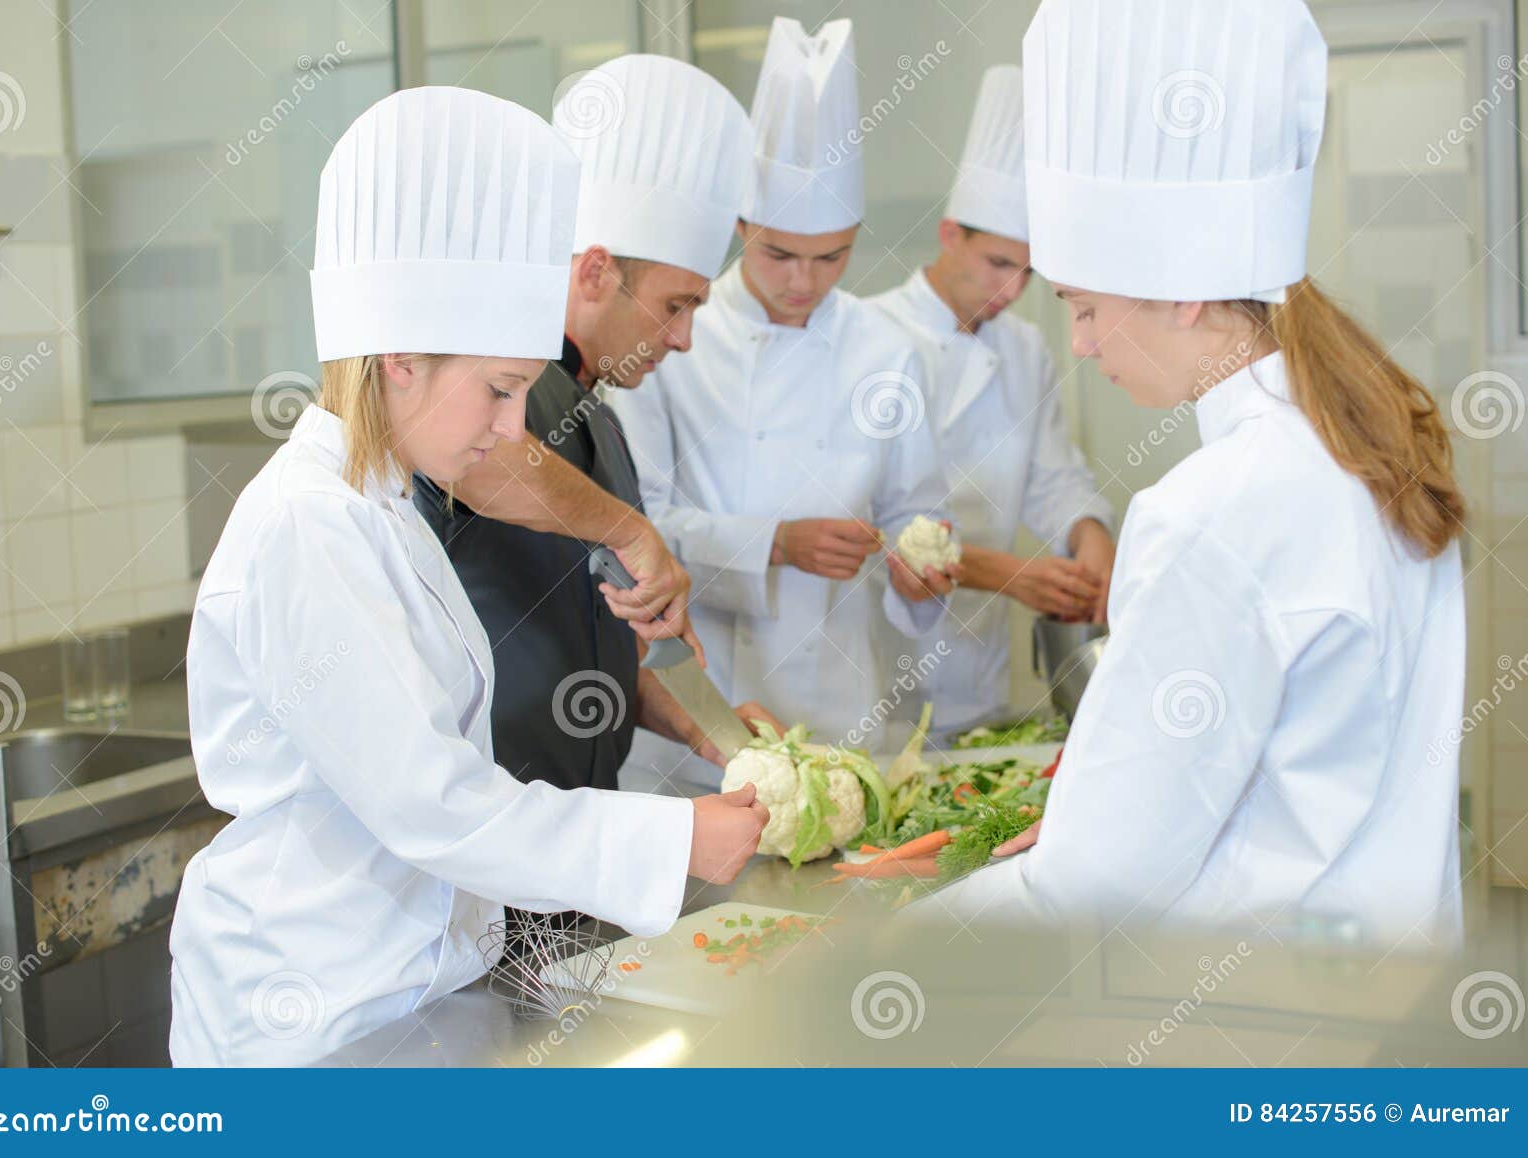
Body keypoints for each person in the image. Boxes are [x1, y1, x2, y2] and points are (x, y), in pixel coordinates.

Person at [169, 87, 767, 1066]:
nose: (511, 428)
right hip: (312, 1015)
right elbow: (433, 803)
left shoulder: (387, 511)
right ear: (400, 359)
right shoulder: (307, 526)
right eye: (498, 390)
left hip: (412, 990)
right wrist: (669, 842)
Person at [924, 0, 1468, 948]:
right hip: (1380, 985)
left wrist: (875, 951)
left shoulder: (1212, 508)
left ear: (1179, 293)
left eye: (1084, 308)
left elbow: (1095, 888)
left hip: (1253, 1004)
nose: (1080, 345)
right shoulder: (1365, 443)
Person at [413, 56, 781, 792]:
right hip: (484, 818)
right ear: (594, 273)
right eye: (675, 306)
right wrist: (632, 531)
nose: (683, 338)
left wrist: (704, 726)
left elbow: (595, 645)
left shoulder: (604, 428)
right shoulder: (489, 381)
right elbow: (481, 461)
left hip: (581, 816)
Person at [614, 18, 956, 791]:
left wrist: (922, 565)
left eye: (830, 257)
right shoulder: (674, 337)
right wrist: (776, 543)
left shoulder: (887, 350)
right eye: (778, 254)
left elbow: (918, 510)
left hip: (841, 691)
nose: (804, 281)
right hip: (701, 696)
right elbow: (640, 523)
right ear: (741, 228)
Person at [871, 65, 1116, 738]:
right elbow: (861, 521)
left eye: (1028, 272)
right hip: (876, 660)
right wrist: (1007, 574)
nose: (1012, 292)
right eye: (999, 265)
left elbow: (1054, 477)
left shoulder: (1024, 348)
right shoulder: (872, 336)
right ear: (951, 234)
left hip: (980, 666)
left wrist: (1089, 535)